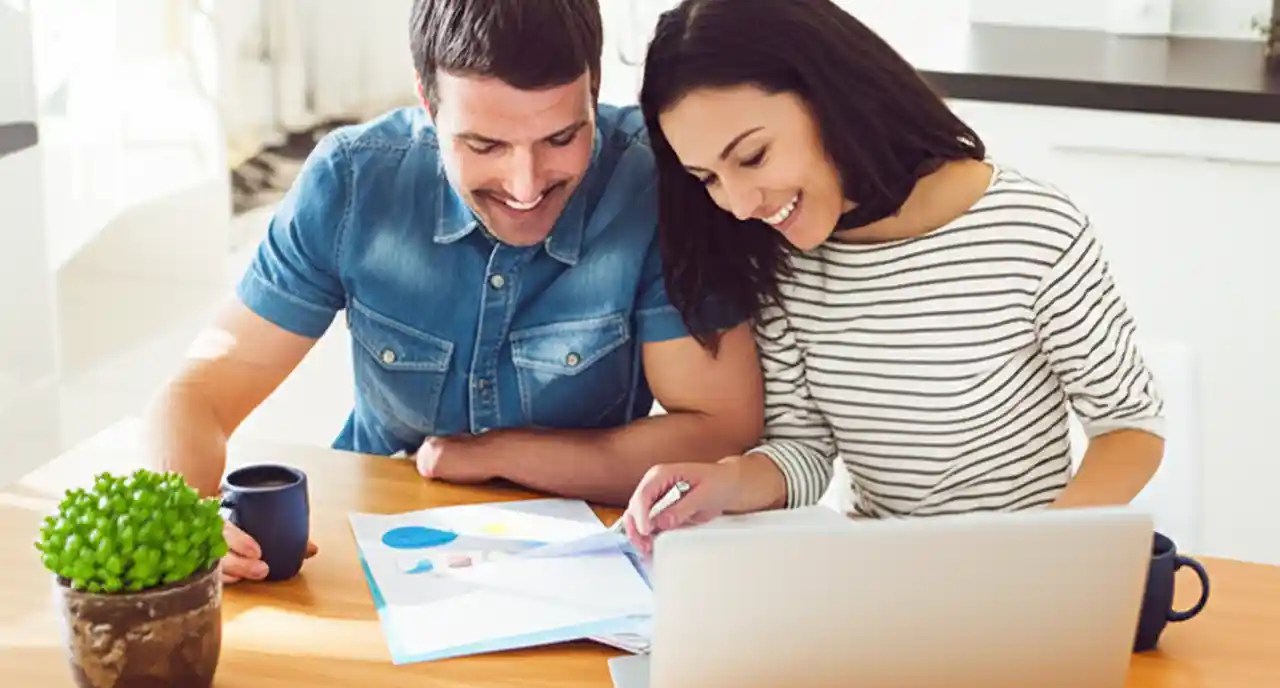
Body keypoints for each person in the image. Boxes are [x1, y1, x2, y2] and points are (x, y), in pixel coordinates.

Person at [143, 0, 765, 583]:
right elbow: (198, 394)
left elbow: (718, 428)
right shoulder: (353, 182)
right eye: (484, 145)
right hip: (376, 537)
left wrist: (499, 454)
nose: (525, 186)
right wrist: (187, 516)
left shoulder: (655, 183)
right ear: (428, 102)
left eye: (559, 139)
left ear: (594, 87)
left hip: (587, 560)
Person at [622, 0, 1166, 554]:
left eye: (754, 156)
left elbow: (1130, 427)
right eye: (707, 178)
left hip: (1022, 586)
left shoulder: (1034, 229)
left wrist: (1045, 549)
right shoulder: (784, 263)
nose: (738, 205)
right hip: (876, 584)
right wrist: (725, 482)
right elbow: (804, 453)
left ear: (829, 97)